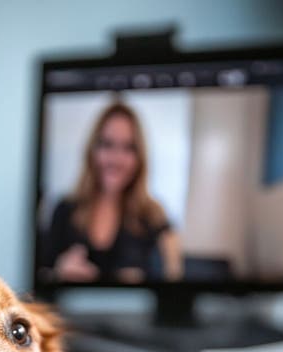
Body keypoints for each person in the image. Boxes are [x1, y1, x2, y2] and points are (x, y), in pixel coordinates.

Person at [42, 100, 183, 283]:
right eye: (107, 144)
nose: (116, 159)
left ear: (140, 157)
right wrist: (58, 274)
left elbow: (175, 286)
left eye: (128, 148)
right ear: (92, 150)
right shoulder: (64, 209)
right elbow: (38, 284)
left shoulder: (154, 216)